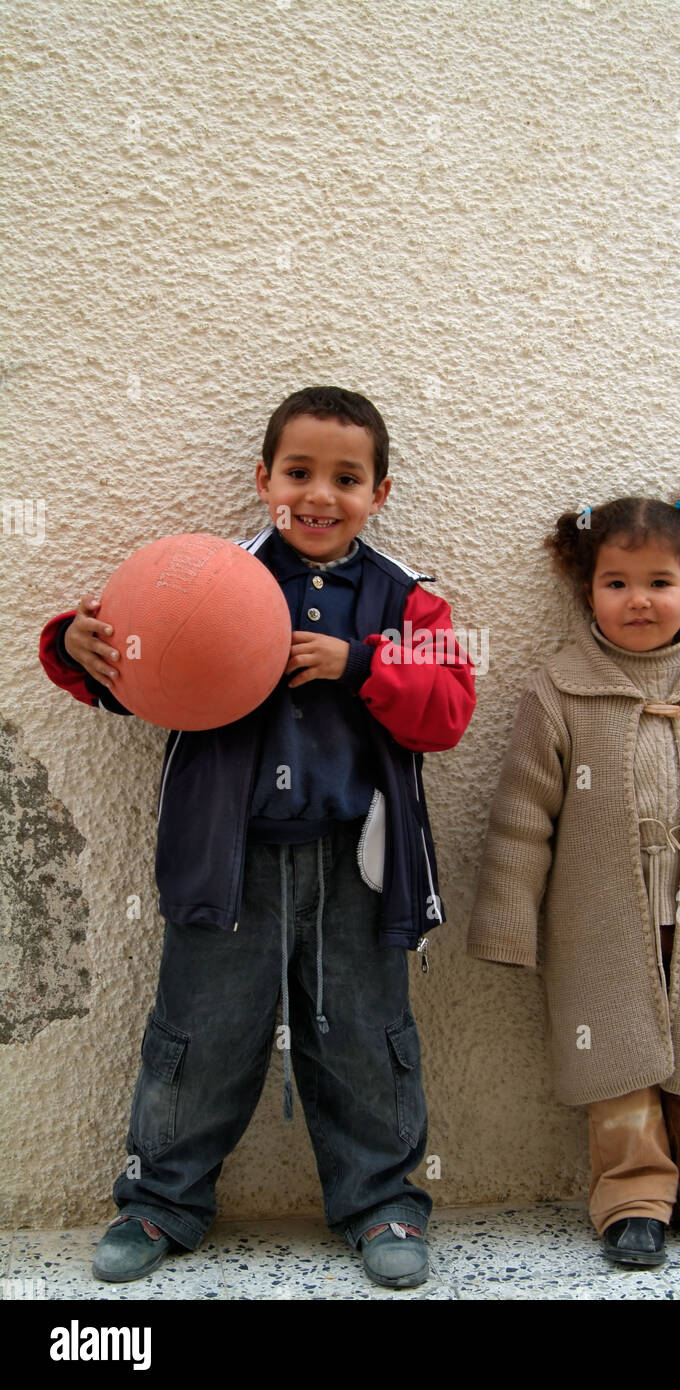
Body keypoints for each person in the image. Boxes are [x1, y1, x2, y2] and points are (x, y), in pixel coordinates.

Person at [39, 385, 476, 1289]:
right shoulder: (206, 579)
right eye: (298, 472)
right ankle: (160, 1203)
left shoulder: (408, 601)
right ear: (263, 479)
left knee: (363, 1036)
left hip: (360, 864)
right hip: (227, 860)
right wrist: (72, 642)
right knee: (200, 1036)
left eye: (346, 478)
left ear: (379, 494)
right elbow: (128, 669)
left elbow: (449, 712)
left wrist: (360, 664)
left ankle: (383, 1203)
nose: (319, 495)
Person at [467, 479, 680, 1268]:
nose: (637, 601)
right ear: (586, 589)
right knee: (616, 1061)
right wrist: (507, 919)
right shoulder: (559, 688)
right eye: (616, 583)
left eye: (658, 583)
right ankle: (631, 1200)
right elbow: (523, 814)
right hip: (600, 923)